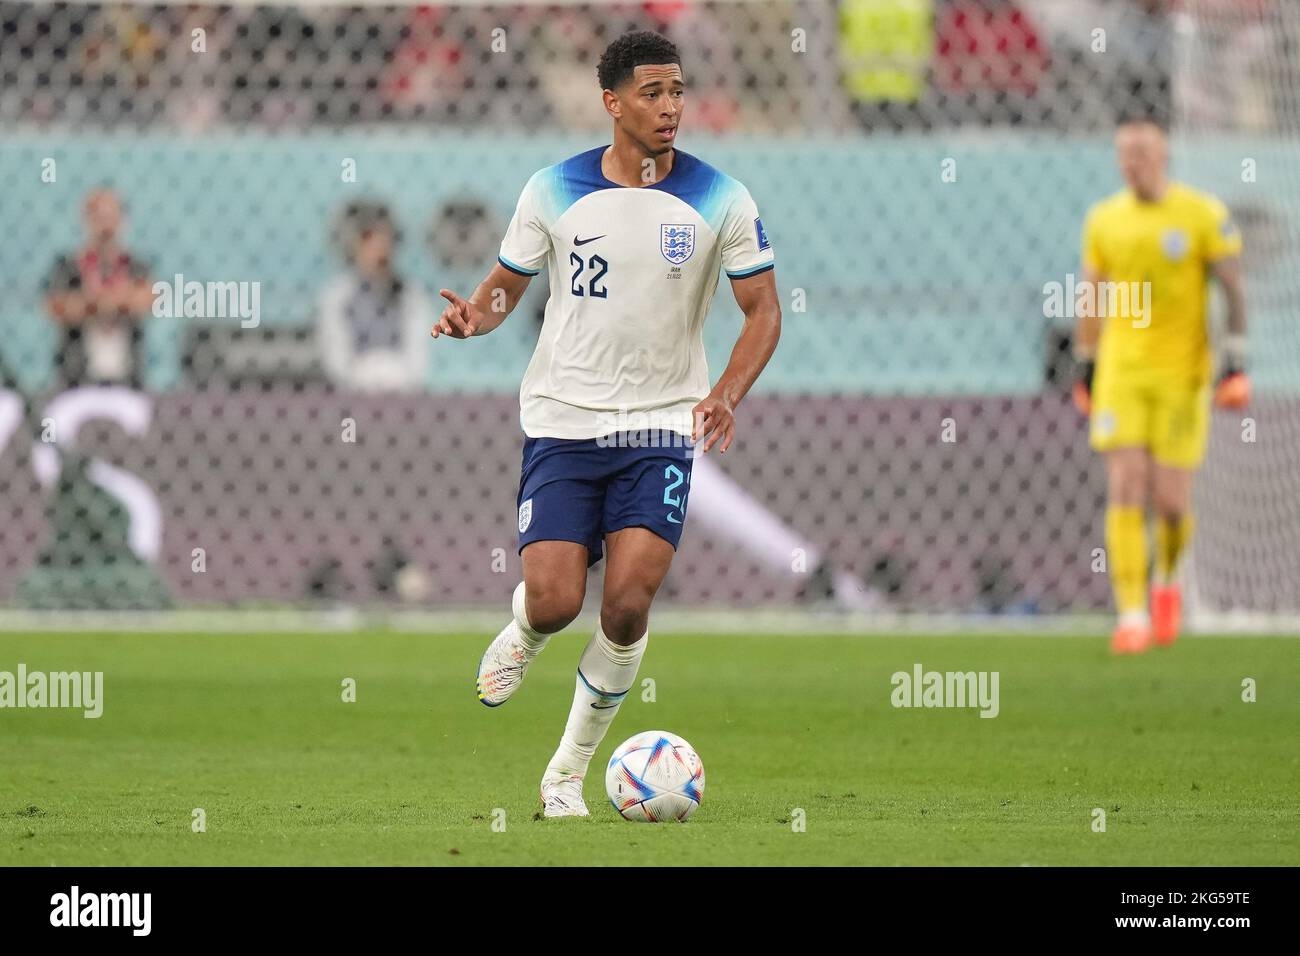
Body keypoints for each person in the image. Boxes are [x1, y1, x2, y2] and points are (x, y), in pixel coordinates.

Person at [433, 31, 781, 816]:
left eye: (679, 91)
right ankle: (525, 633)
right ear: (612, 102)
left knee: (626, 606)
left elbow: (763, 312)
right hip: (564, 420)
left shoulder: (721, 196)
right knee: (555, 600)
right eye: (653, 93)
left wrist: (725, 391)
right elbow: (503, 291)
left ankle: (564, 776)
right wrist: (471, 321)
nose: (670, 107)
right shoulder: (552, 190)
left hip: (659, 427)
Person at [1073, 115, 1248, 654]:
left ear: (1164, 155)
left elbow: (1232, 289)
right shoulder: (1105, 219)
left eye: (1143, 152)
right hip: (1122, 371)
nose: (1133, 162)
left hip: (1182, 375)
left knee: (1171, 504)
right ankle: (1130, 616)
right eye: (1125, 153)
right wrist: (1085, 361)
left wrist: (1235, 360)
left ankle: (1166, 580)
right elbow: (1092, 292)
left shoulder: (1201, 214)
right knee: (1125, 483)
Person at [43, 188, 155, 390]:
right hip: (75, 378)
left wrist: (89, 303)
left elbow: (146, 301)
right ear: (86, 220)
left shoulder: (136, 266)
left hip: (128, 379)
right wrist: (116, 300)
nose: (106, 225)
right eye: (99, 217)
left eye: (111, 217)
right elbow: (58, 308)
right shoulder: (68, 267)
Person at [317, 200, 432, 392]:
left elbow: (418, 353)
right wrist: (358, 377)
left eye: (384, 244)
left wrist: (400, 378)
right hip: (355, 390)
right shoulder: (339, 295)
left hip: (401, 391)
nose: (378, 252)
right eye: (369, 244)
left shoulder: (409, 295)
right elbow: (335, 352)